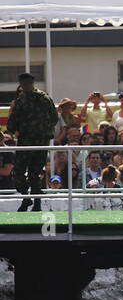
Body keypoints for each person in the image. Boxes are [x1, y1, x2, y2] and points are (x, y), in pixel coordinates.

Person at [6, 72, 60, 211]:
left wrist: (20, 130)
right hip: (41, 142)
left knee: (20, 172)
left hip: (27, 142)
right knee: (34, 173)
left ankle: (28, 199)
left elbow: (11, 125)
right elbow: (54, 118)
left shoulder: (21, 101)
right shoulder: (45, 98)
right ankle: (34, 202)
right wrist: (43, 130)